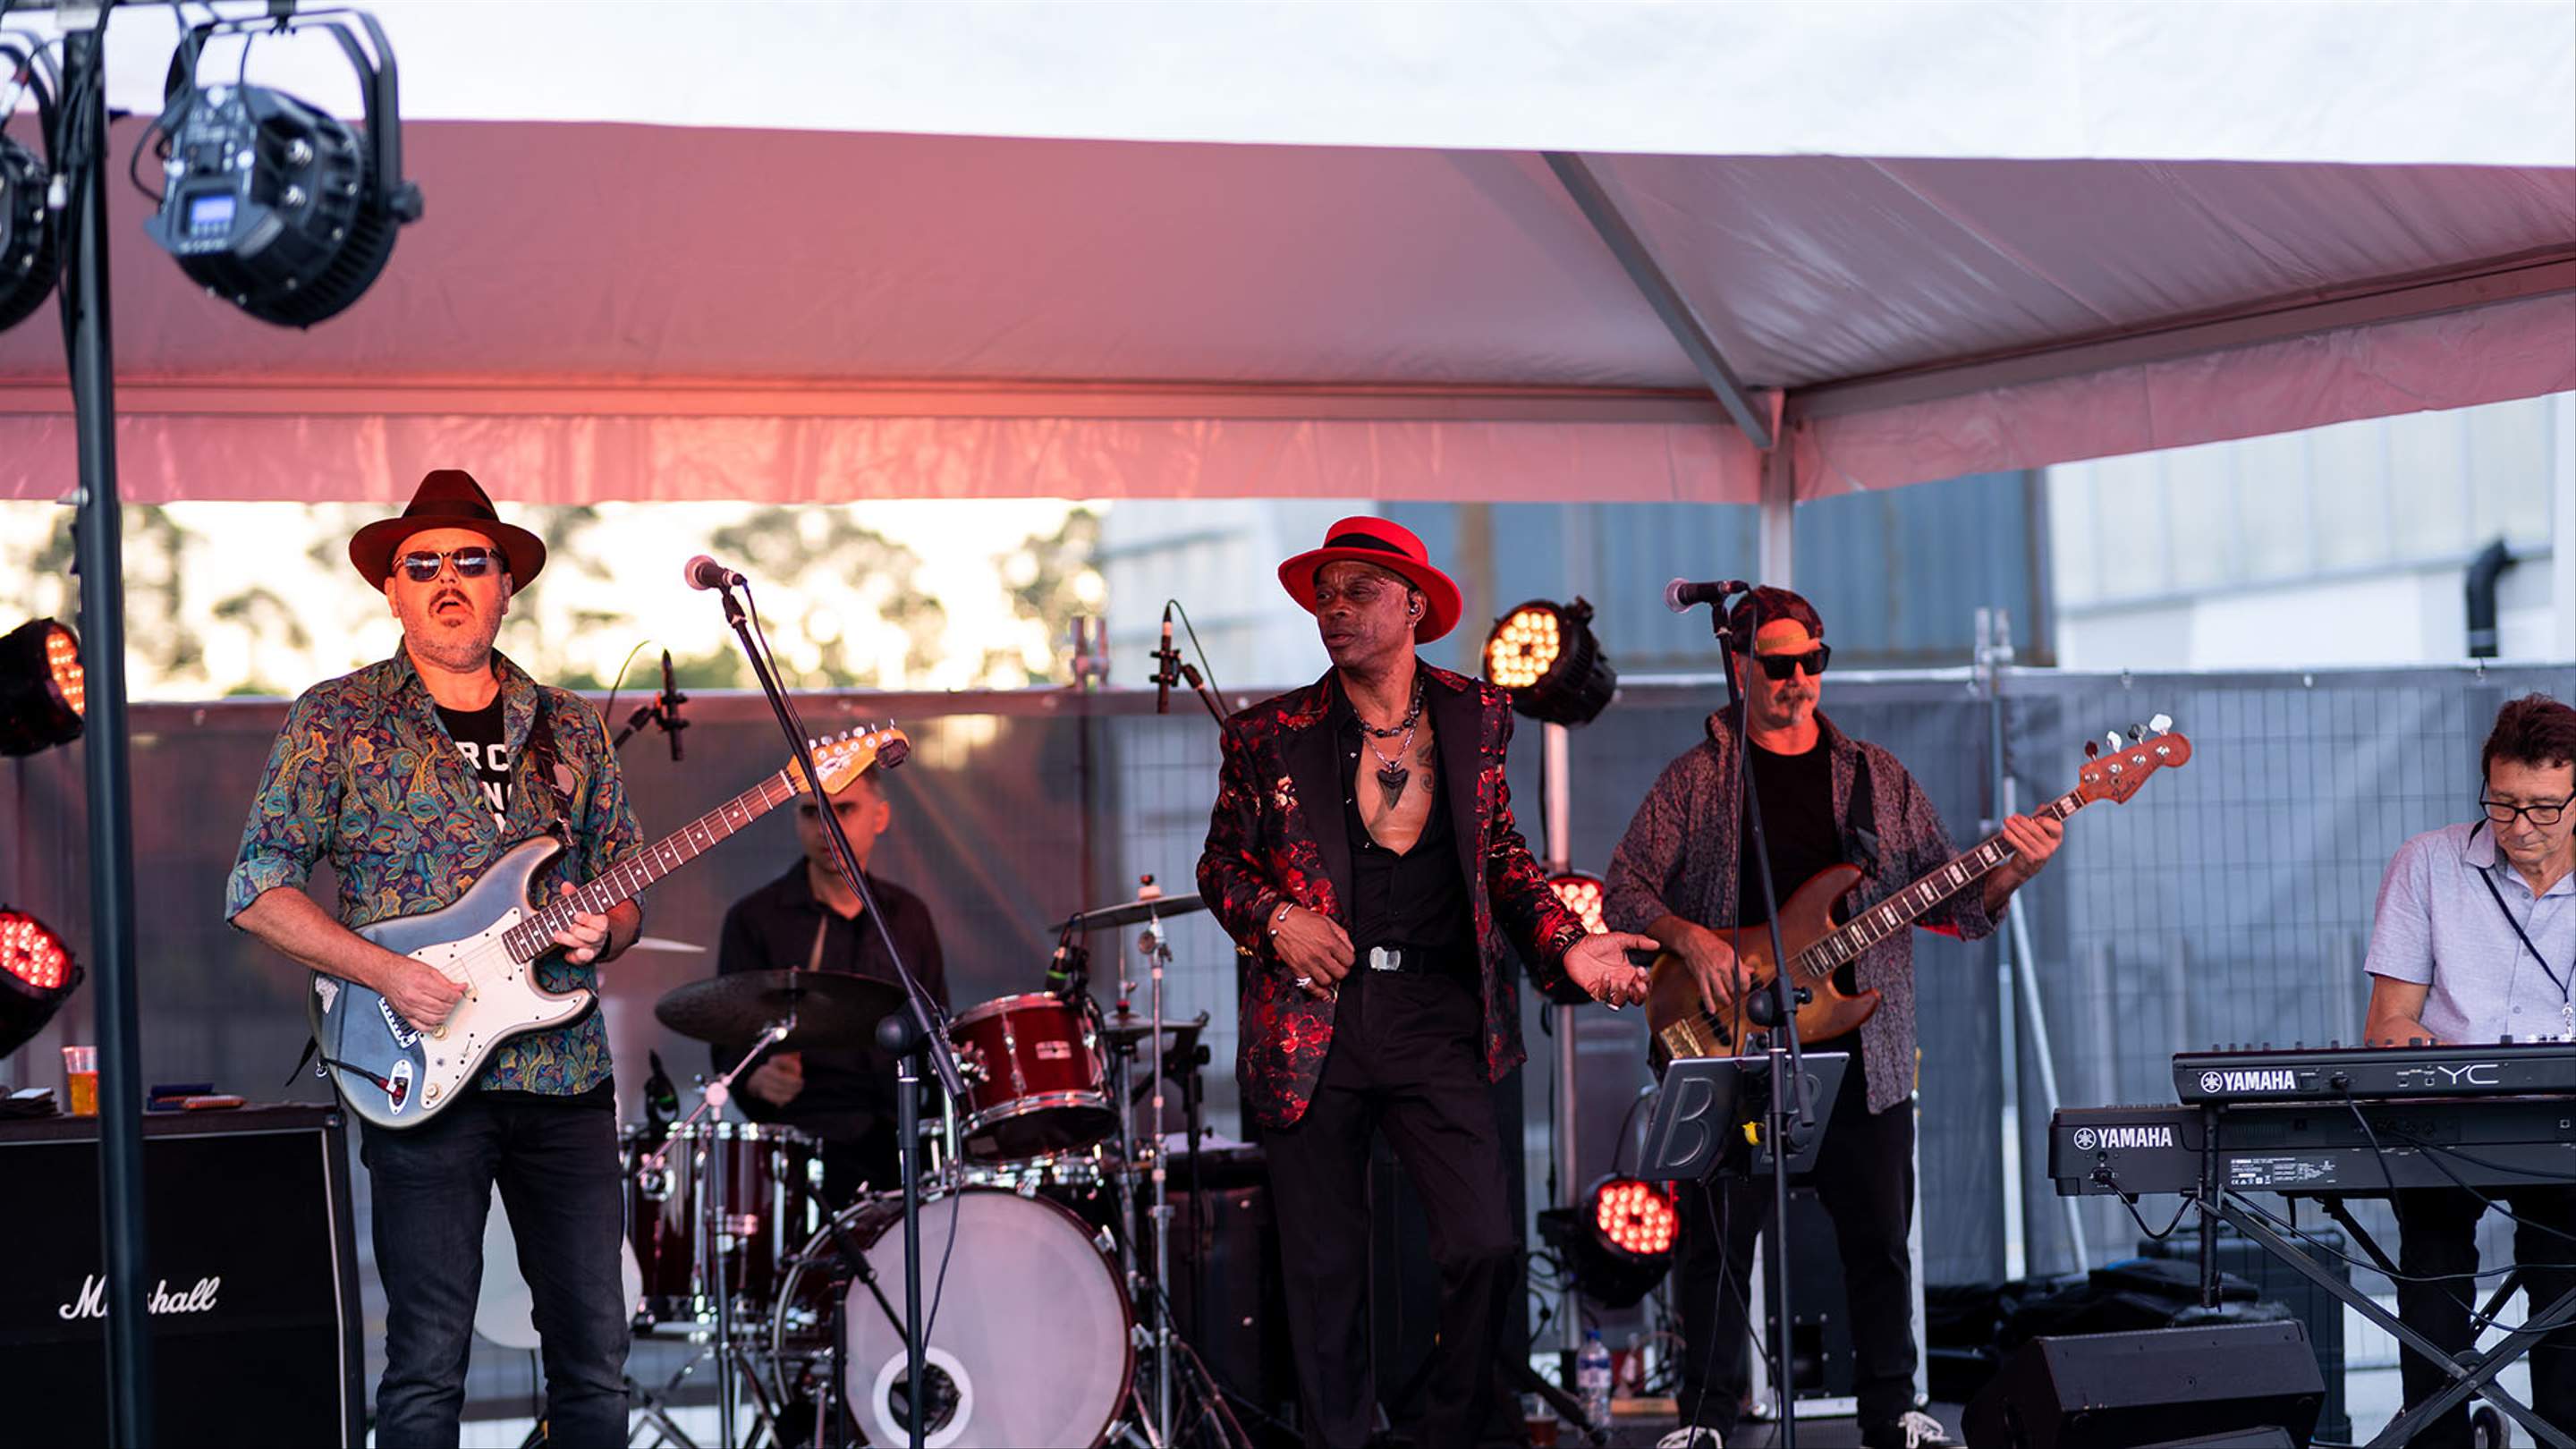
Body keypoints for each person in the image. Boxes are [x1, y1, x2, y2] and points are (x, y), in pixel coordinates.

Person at [1198, 515, 1657, 1449]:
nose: (1335, 607)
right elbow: (1220, 868)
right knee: (1324, 1280)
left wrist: (1570, 947)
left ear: (1414, 604)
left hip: (1437, 1011)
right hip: (1312, 1022)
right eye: (1325, 592)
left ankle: (1441, 1432)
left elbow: (1503, 858)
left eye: (1358, 589)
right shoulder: (1267, 735)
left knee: (1485, 1241)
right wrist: (1280, 922)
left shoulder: (1477, 714)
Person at [226, 469, 644, 1447]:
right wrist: (385, 973)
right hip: (415, 1071)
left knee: (596, 1358)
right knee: (425, 1364)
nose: (447, 579)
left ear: (507, 584)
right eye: (423, 565)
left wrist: (606, 927)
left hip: (563, 1075)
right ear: (393, 589)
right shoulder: (336, 719)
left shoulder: (571, 724)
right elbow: (257, 890)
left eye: (471, 560)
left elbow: (626, 885)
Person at [1602, 587, 2061, 1449]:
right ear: (1738, 666)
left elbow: (1951, 904)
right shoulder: (1700, 778)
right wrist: (1692, 940)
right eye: (1779, 666)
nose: (1800, 681)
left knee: (1882, 1238)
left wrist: (2010, 872)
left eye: (1815, 661)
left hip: (1863, 1047)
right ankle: (1705, 1419)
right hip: (1729, 1039)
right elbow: (1624, 885)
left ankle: (1891, 1413)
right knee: (1718, 1242)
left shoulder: (1876, 779)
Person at [2362, 692, 2576, 1447]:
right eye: (2503, 803)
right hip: (2450, 1119)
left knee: (2568, 1274)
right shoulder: (2427, 863)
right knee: (2431, 1265)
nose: (2520, 827)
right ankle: (2439, 1439)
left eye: (2546, 808)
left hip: (2568, 1125)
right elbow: (2388, 1022)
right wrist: (2419, 1058)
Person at [712, 762, 948, 1208]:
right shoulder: (754, 919)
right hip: (805, 1151)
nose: (826, 825)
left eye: (844, 809)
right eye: (810, 811)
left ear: (880, 816)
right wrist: (758, 1079)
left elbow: (936, 1033)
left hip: (903, 1144)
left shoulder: (909, 917)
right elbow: (728, 1046)